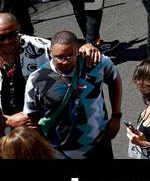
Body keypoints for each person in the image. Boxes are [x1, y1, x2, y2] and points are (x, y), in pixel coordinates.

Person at [23, 30, 122, 159]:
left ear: (78, 50)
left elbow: (115, 79)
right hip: (61, 153)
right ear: (50, 53)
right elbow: (31, 118)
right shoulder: (37, 79)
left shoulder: (95, 63)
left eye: (71, 56)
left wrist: (116, 117)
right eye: (60, 57)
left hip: (99, 143)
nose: (66, 61)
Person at [0, 12, 101, 128]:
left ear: (19, 28)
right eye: (1, 37)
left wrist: (85, 48)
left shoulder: (40, 47)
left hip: (44, 127)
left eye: (12, 35)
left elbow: (66, 50)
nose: (6, 41)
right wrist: (8, 121)